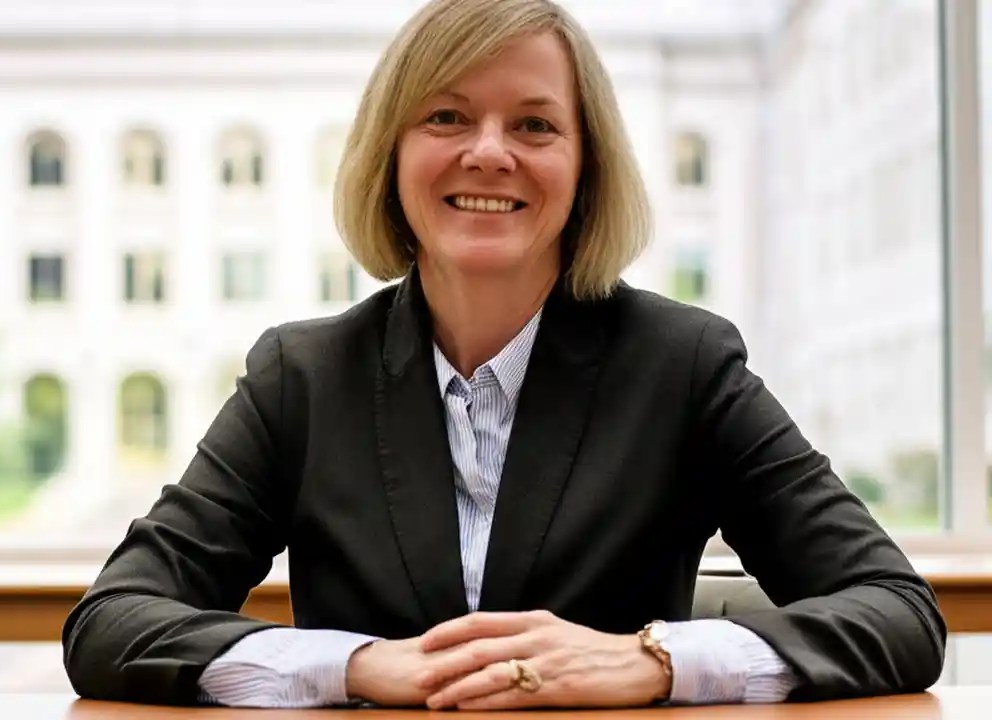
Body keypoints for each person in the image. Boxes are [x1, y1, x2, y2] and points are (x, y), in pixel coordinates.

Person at [62, 0, 946, 709]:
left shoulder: (684, 366)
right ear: (390, 156)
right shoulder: (302, 379)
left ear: (585, 169)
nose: (488, 153)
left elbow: (899, 613)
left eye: (534, 126)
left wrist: (652, 662)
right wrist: (361, 665)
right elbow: (111, 624)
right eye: (447, 115)